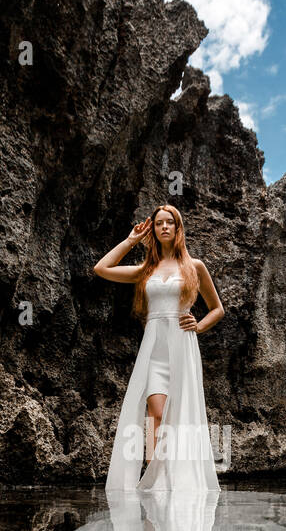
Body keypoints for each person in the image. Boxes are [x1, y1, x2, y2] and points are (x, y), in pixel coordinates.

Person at [93, 204, 224, 490]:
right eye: (158, 223)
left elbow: (217, 309)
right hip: (154, 348)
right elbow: (102, 269)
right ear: (152, 230)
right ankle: (154, 478)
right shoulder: (145, 270)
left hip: (182, 344)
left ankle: (171, 479)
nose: (164, 227)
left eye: (170, 223)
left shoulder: (195, 267)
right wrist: (131, 240)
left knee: (178, 414)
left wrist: (199, 326)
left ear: (178, 229)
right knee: (156, 412)